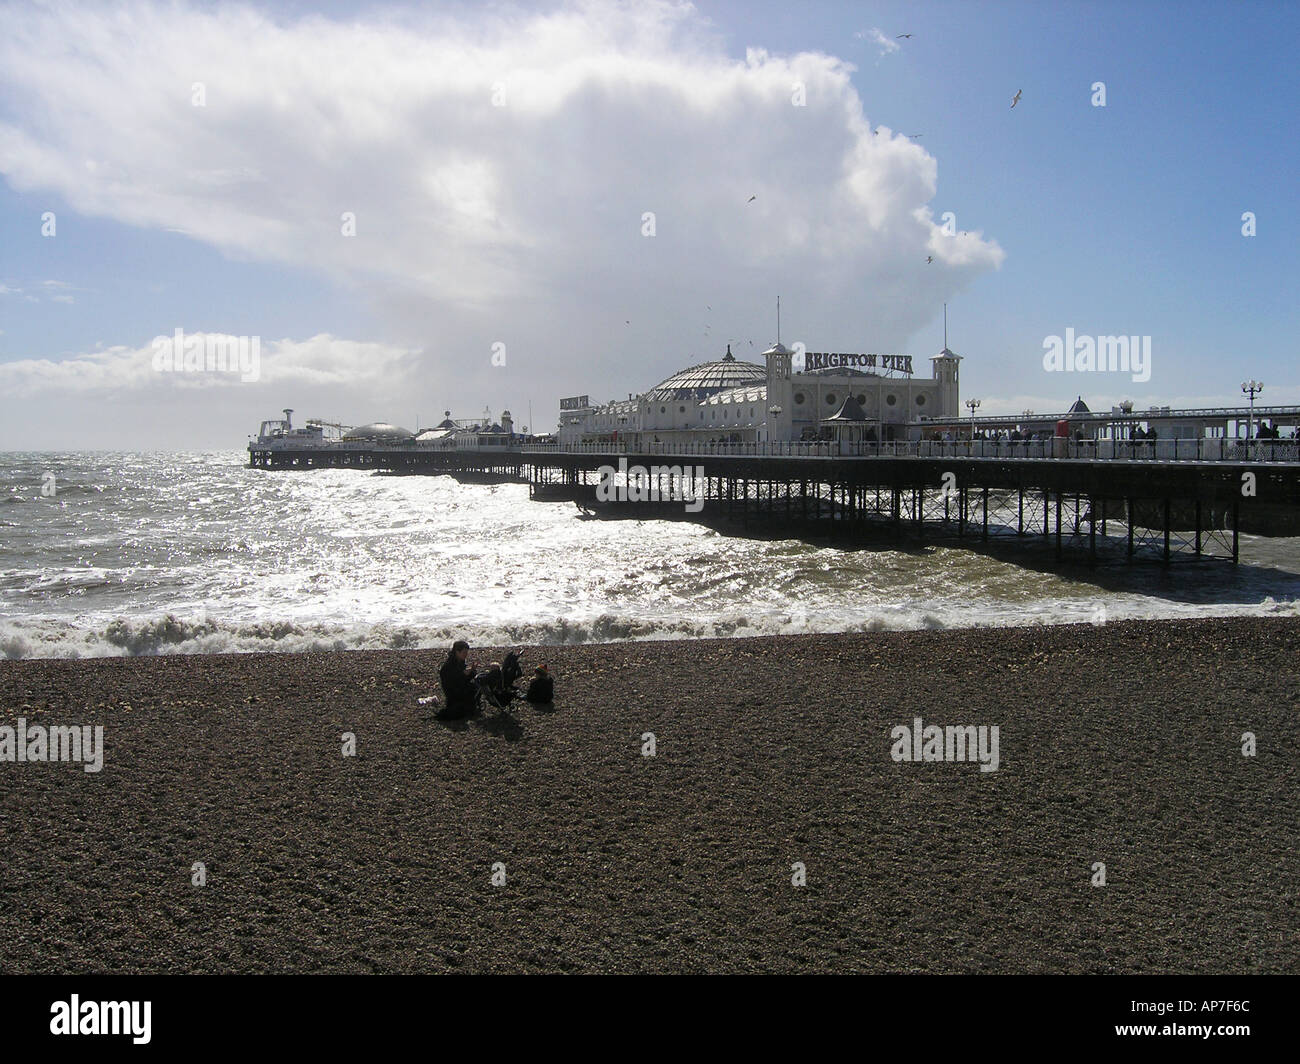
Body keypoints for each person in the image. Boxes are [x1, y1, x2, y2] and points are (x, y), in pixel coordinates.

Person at [438, 639, 478, 719]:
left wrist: (472, 672)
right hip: (453, 691)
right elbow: (451, 681)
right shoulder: (449, 665)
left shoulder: (461, 662)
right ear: (457, 652)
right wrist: (463, 674)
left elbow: (466, 679)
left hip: (460, 687)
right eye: (464, 653)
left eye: (466, 653)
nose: (466, 655)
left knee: (476, 685)